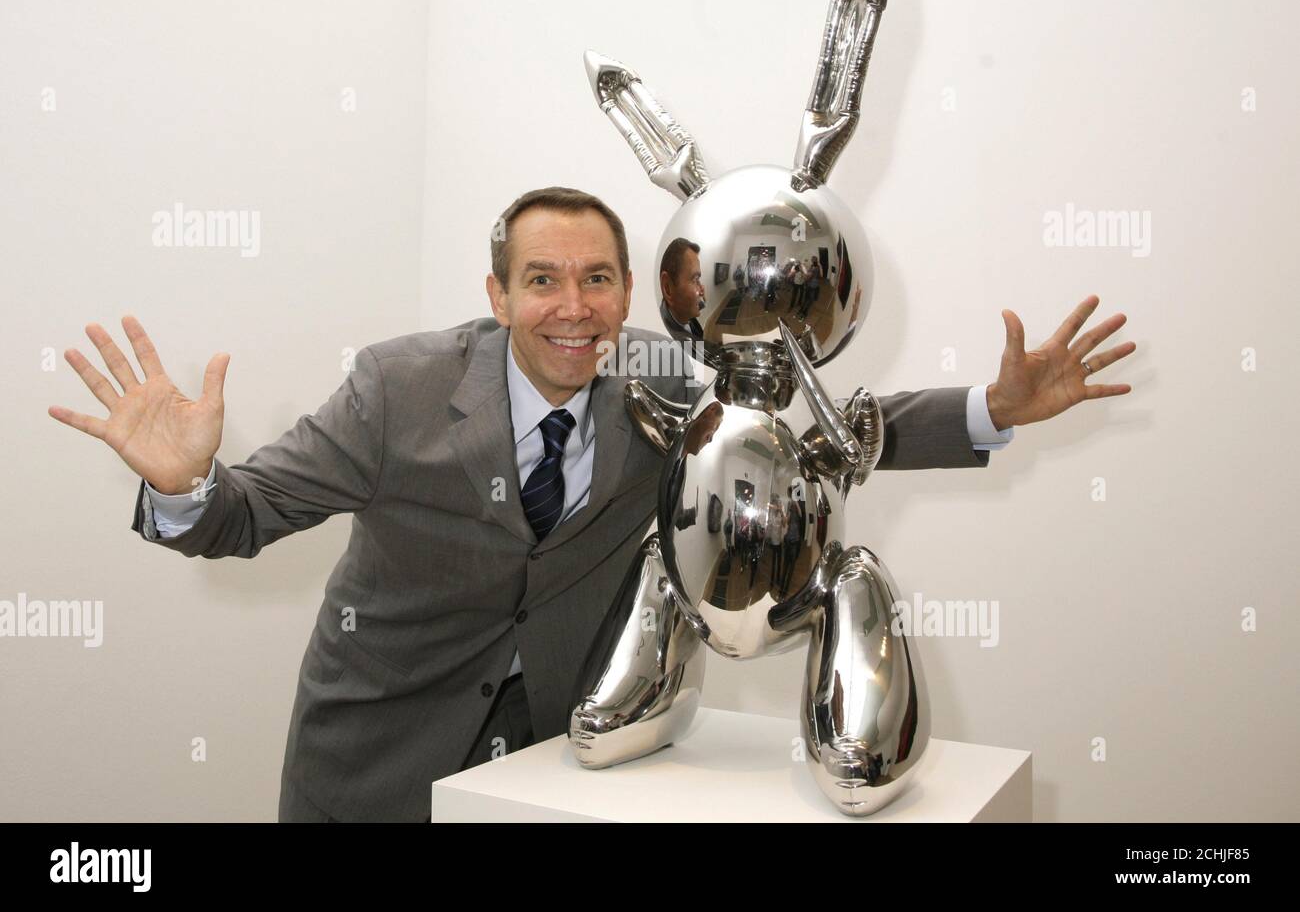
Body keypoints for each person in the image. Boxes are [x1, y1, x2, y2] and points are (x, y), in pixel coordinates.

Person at [47, 186, 1135, 822]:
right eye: (542, 280)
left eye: (598, 280)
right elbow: (246, 516)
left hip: (551, 779)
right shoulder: (398, 388)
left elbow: (818, 428)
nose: (574, 309)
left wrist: (991, 409)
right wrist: (184, 480)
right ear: (497, 294)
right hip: (372, 765)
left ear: (634, 288)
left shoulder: (656, 387)